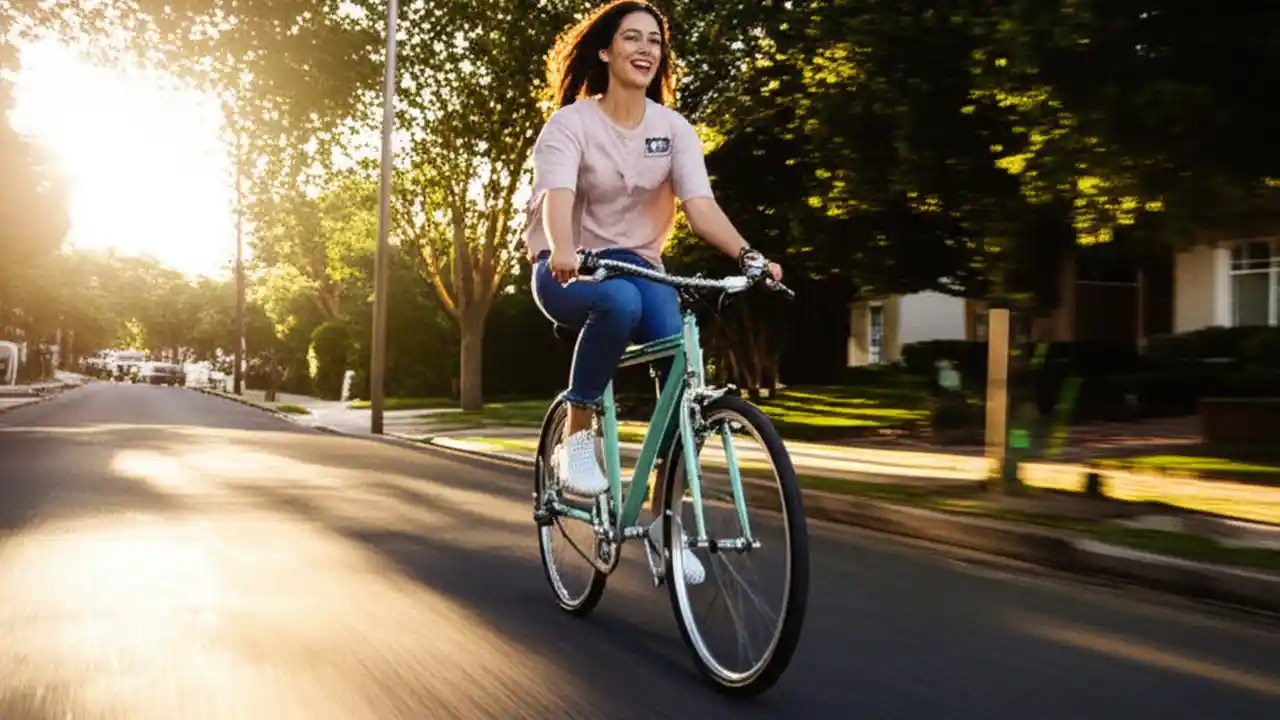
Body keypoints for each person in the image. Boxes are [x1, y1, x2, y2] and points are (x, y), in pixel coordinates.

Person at [523, 0, 781, 582]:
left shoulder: (673, 129)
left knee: (679, 361)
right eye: (632, 38)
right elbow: (557, 196)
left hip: (640, 265)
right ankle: (578, 435)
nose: (646, 49)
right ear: (606, 51)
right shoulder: (570, 125)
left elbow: (700, 207)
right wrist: (562, 248)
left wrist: (749, 256)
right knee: (619, 301)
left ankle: (667, 518)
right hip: (566, 266)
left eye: (655, 42)